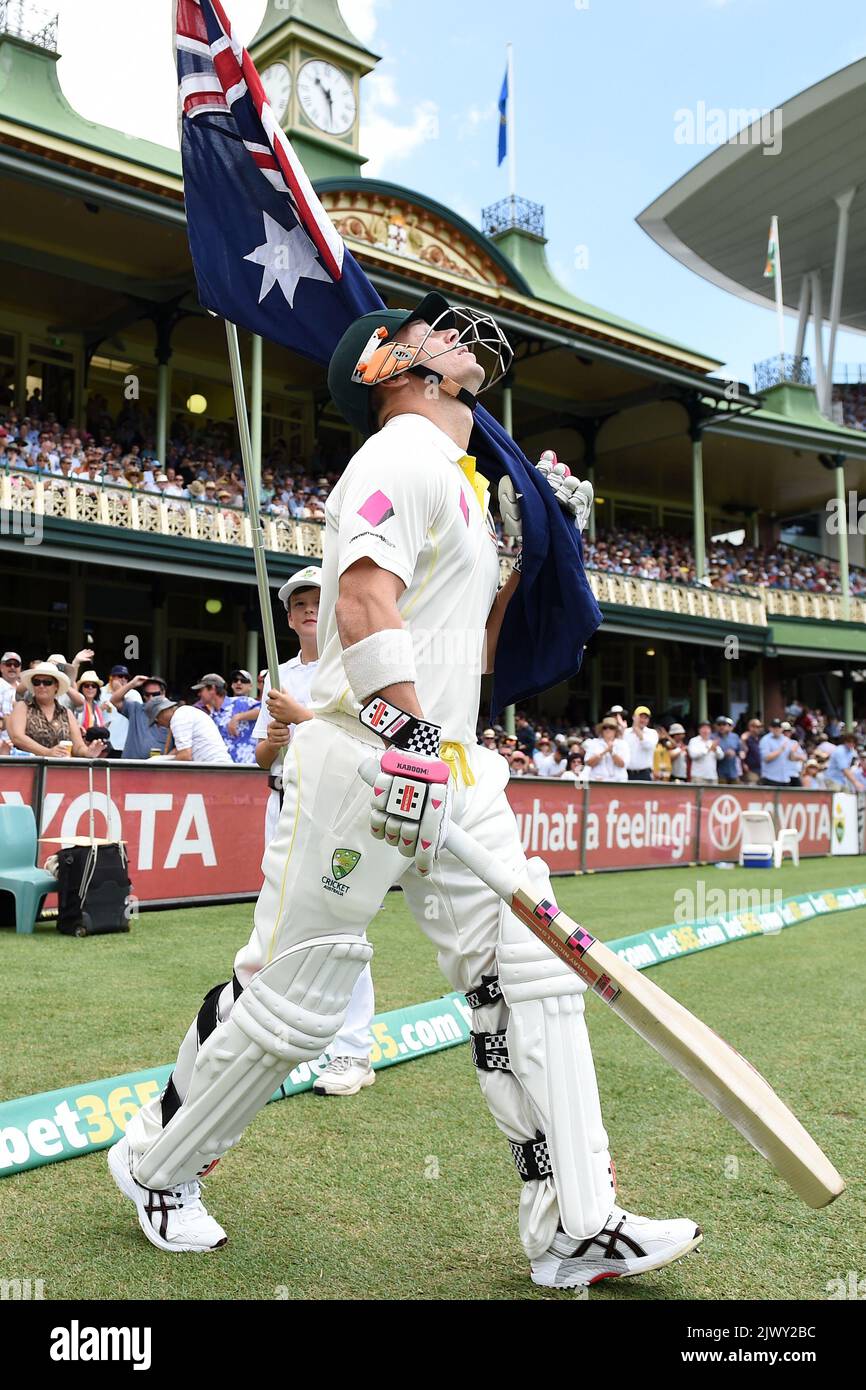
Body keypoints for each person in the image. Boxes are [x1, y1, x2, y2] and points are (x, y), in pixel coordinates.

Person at [110, 290, 698, 1289]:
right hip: (367, 755)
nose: (455, 333)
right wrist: (406, 730)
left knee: (531, 973)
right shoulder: (396, 455)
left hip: (450, 766)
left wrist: (531, 552)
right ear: (388, 367)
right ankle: (158, 1166)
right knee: (295, 1001)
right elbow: (362, 595)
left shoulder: (460, 477)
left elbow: (453, 632)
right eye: (431, 328)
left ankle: (573, 1223)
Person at [254, 566, 376, 1099]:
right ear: (288, 617)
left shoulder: (357, 669)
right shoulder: (276, 676)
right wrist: (277, 734)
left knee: (342, 927)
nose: (308, 609)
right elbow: (261, 758)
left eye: (317, 601)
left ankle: (354, 1049)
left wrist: (301, 717)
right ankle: (296, 1037)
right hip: (283, 802)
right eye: (299, 603)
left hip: (336, 807)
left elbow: (366, 743)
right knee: (282, 925)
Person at [8, 662, 106, 758]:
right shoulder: (23, 706)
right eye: (36, 682)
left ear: (56, 686)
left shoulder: (67, 713)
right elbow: (17, 737)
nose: (41, 686)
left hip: (59, 770)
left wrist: (89, 752)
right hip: (27, 769)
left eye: (47, 682)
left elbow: (78, 747)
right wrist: (47, 752)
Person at [147, 697, 232, 764]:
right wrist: (161, 759)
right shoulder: (185, 712)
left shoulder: (179, 717)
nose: (159, 725)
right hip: (218, 767)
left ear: (161, 712)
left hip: (214, 768)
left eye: (156, 720)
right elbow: (180, 750)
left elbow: (185, 756)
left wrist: (163, 766)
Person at [110, 674, 172, 759]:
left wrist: (165, 759)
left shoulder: (172, 713)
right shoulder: (136, 709)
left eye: (155, 694)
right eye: (147, 694)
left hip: (161, 769)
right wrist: (132, 684)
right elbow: (114, 700)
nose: (151, 698)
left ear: (163, 693)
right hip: (131, 767)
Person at [583, 716, 630, 781]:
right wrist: (604, 752)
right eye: (605, 728)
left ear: (615, 730)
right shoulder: (594, 743)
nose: (608, 730)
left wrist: (612, 752)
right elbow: (589, 763)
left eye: (611, 727)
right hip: (598, 781)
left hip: (618, 782)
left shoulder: (623, 744)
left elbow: (622, 764)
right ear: (602, 730)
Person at [623, 705, 657, 781]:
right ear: (633, 717)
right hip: (626, 773)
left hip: (644, 773)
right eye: (640, 717)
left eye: (646, 718)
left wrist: (637, 730)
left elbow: (648, 746)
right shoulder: (625, 732)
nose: (643, 720)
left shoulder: (652, 733)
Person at [759, 718, 794, 787]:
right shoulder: (765, 740)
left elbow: (791, 758)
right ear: (770, 728)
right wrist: (780, 750)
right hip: (770, 778)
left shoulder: (786, 740)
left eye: (779, 727)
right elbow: (766, 758)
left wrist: (792, 752)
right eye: (774, 727)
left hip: (785, 778)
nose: (777, 729)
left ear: (781, 728)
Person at [715, 716, 742, 784]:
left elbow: (739, 751)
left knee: (737, 793)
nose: (722, 727)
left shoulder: (735, 736)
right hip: (719, 773)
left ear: (727, 725)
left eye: (723, 724)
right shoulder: (712, 737)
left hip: (733, 772)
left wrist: (741, 753)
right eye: (719, 724)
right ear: (716, 726)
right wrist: (724, 754)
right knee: (721, 794)